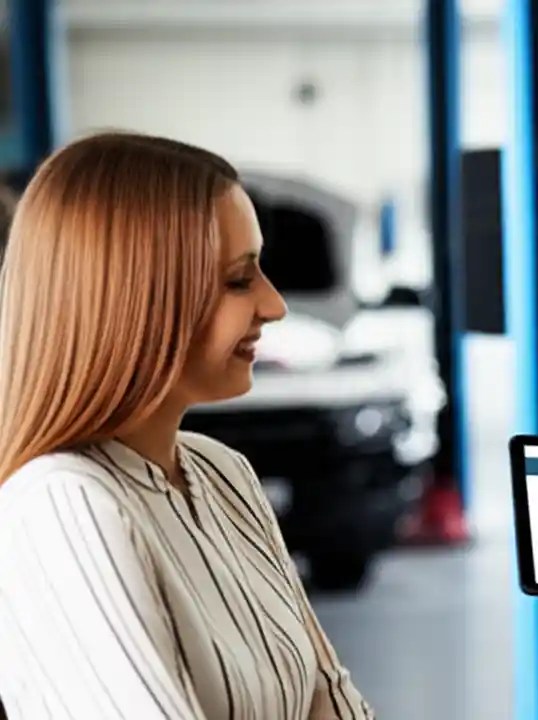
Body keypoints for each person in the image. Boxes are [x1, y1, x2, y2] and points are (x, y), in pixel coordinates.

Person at [0, 132, 375, 719]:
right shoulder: (64, 503)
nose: (274, 305)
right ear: (136, 298)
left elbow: (330, 696)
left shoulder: (222, 472)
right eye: (238, 279)